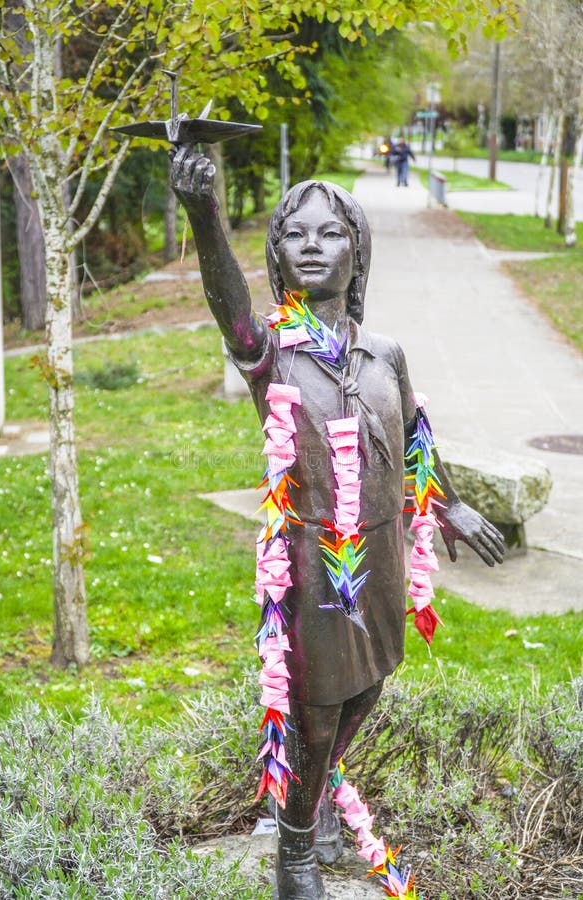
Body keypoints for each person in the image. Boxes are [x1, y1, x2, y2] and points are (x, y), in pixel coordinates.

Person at [169, 150, 505, 899]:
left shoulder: (384, 352)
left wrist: (450, 504)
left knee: (369, 687)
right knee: (318, 710)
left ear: (358, 250)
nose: (313, 244)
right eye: (295, 234)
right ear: (278, 255)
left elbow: (415, 437)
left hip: (381, 551)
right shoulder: (271, 354)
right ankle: (295, 846)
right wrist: (205, 217)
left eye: (330, 232)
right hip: (315, 557)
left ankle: (310, 803)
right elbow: (229, 306)